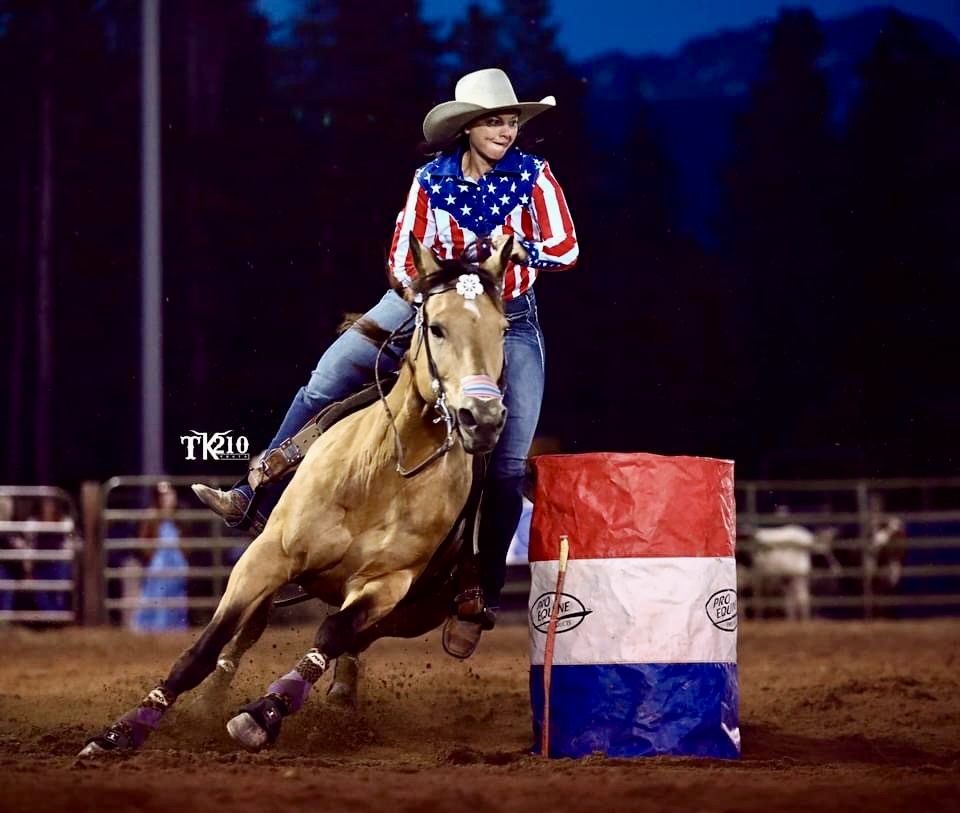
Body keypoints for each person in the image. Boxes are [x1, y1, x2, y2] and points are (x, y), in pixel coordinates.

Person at [194, 68, 578, 657]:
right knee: (326, 380)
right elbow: (403, 253)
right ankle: (257, 489)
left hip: (506, 316)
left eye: (511, 120)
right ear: (469, 127)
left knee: (504, 463)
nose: (506, 129)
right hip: (420, 304)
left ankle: (481, 592)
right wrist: (428, 295)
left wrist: (518, 250)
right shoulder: (431, 180)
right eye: (495, 120)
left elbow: (565, 246)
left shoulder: (534, 176)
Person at [131, 481, 189, 632]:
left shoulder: (179, 517)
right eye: (164, 495)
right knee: (155, 596)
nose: (168, 498)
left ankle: (175, 628)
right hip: (158, 565)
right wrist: (152, 557)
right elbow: (143, 541)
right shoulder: (152, 516)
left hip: (176, 565)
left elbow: (187, 542)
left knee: (176, 597)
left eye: (170, 494)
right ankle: (154, 628)